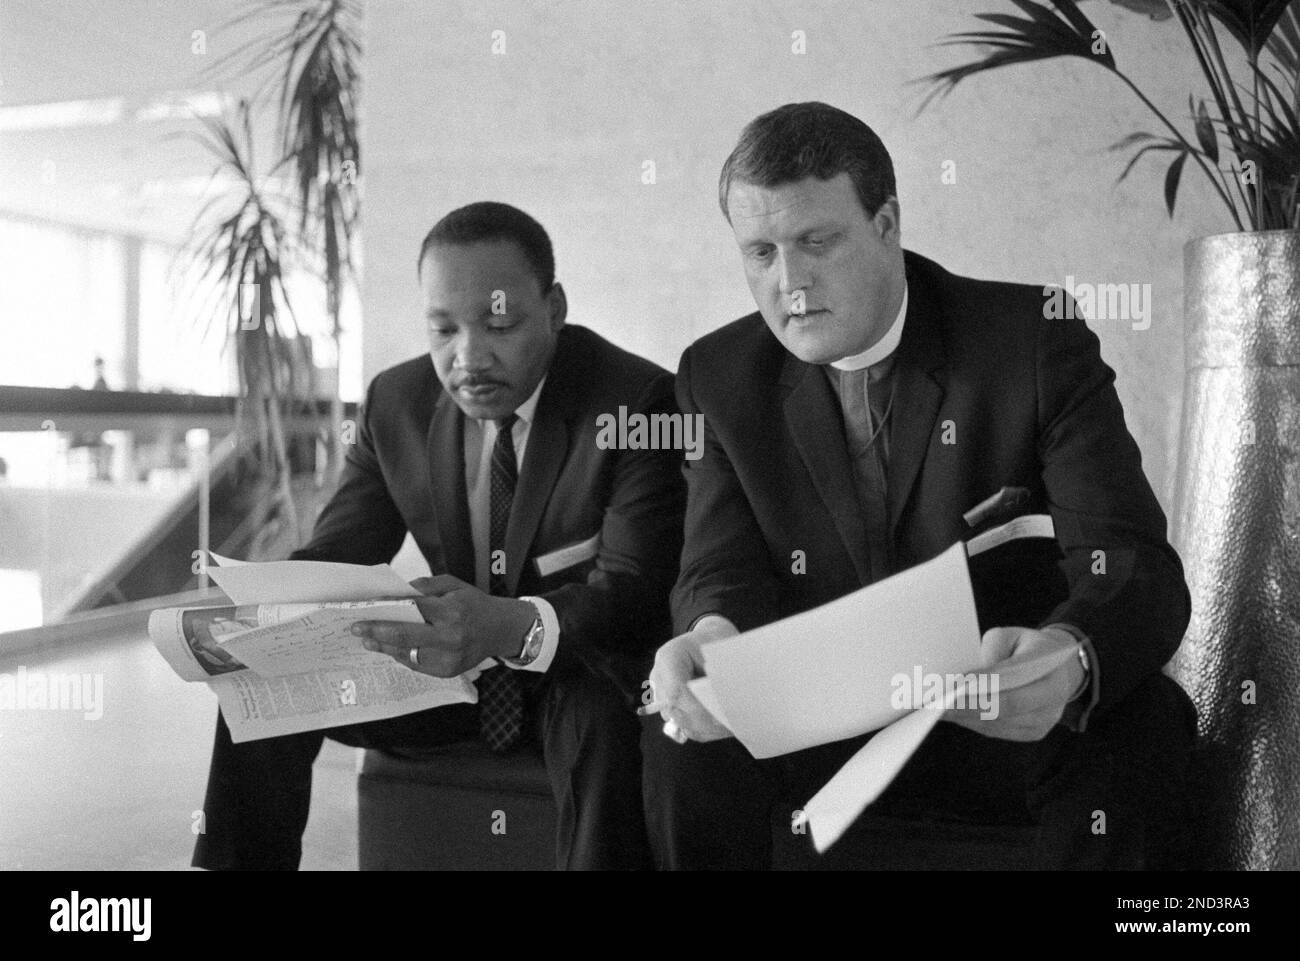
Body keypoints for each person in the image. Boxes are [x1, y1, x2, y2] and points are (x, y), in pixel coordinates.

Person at [642, 102, 1197, 870]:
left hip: (997, 717)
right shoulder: (717, 375)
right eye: (760, 252)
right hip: (823, 724)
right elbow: (718, 569)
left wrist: (1067, 657)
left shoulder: (1030, 339)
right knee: (677, 741)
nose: (790, 283)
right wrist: (711, 643)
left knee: (1146, 722)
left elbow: (1135, 565)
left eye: (816, 242)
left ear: (887, 222)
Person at [194, 201, 684, 870]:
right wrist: (268, 608)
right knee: (263, 667)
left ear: (556, 307)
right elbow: (339, 550)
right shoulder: (397, 402)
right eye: (444, 328)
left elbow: (633, 592)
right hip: (448, 671)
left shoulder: (634, 402)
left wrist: (502, 625)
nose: (469, 356)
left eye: (500, 323)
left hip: (570, 668)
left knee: (603, 712)